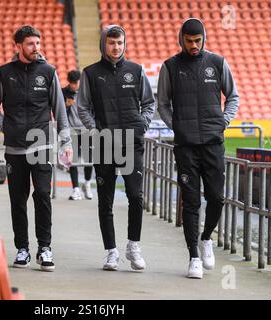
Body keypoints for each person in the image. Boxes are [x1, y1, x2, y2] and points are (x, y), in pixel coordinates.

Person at [0, 25, 73, 272]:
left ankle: (44, 248)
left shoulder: (48, 72)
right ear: (19, 46)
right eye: (31, 44)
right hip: (14, 148)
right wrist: (6, 127)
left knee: (43, 196)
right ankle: (22, 248)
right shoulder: (4, 73)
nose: (36, 48)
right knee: (18, 200)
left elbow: (60, 110)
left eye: (38, 43)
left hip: (42, 146)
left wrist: (65, 142)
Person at [157, 18, 239, 279]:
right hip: (186, 146)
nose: (193, 45)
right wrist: (176, 127)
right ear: (181, 39)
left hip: (213, 144)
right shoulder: (170, 67)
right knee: (190, 202)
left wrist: (223, 121)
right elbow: (162, 104)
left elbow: (233, 96)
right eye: (188, 41)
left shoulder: (217, 63)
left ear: (204, 39)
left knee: (216, 198)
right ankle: (193, 256)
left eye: (197, 41)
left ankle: (206, 239)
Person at [77, 25, 155, 271]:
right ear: (104, 44)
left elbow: (148, 103)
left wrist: (142, 124)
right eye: (111, 43)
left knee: (135, 196)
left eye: (120, 43)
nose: (116, 47)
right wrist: (95, 130)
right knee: (105, 201)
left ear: (124, 44)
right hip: (104, 145)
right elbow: (82, 107)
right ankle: (111, 252)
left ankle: (134, 246)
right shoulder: (90, 73)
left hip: (132, 143)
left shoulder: (136, 70)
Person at [62, 70, 94, 200]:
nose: (74, 86)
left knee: (88, 160)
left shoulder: (86, 92)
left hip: (86, 130)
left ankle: (87, 184)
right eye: (72, 83)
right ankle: (75, 189)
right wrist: (66, 105)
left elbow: (93, 109)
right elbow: (59, 111)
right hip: (72, 131)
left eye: (76, 83)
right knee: (72, 160)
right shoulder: (64, 93)